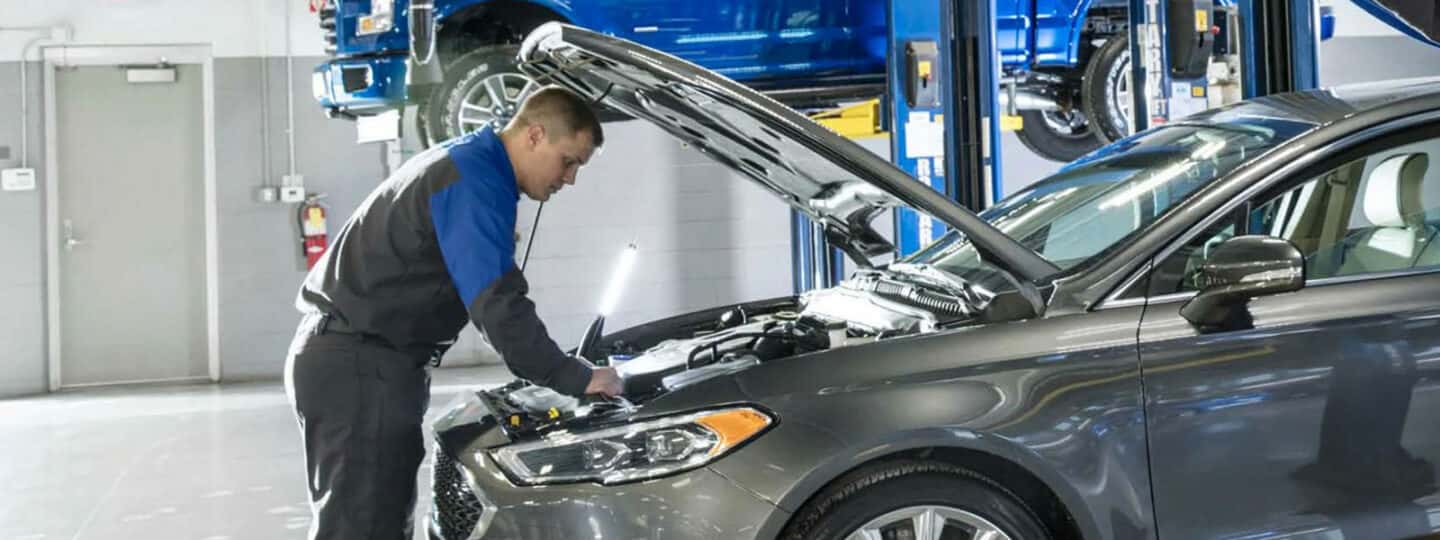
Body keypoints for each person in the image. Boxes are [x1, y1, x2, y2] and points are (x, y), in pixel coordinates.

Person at [284, 86, 623, 539]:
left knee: (374, 521)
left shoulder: (465, 161)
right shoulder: (475, 180)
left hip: (363, 359)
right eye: (569, 161)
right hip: (361, 362)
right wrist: (574, 377)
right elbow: (497, 301)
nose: (570, 178)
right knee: (363, 527)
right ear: (535, 135)